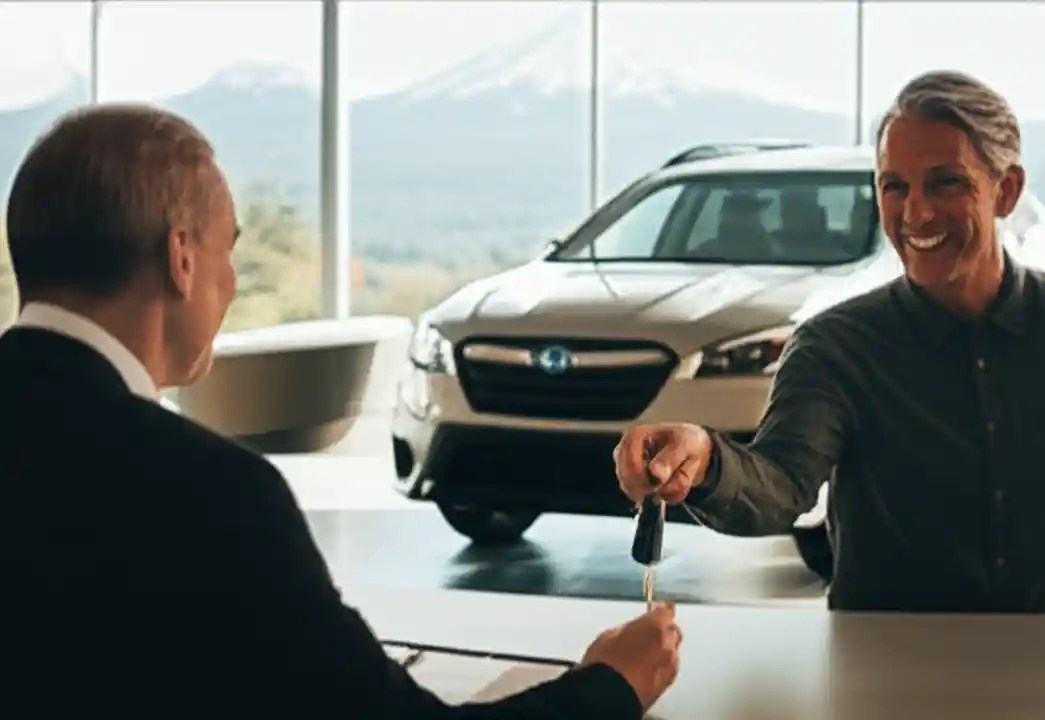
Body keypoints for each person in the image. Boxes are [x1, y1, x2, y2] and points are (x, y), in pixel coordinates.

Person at [0, 104, 679, 717]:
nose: (232, 282)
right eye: (227, 248)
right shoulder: (210, 495)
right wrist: (611, 685)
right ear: (181, 259)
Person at [615, 70, 1045, 615]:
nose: (915, 213)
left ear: (1006, 191)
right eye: (895, 186)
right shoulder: (835, 348)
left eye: (945, 182)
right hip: (880, 688)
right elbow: (781, 487)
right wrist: (705, 460)